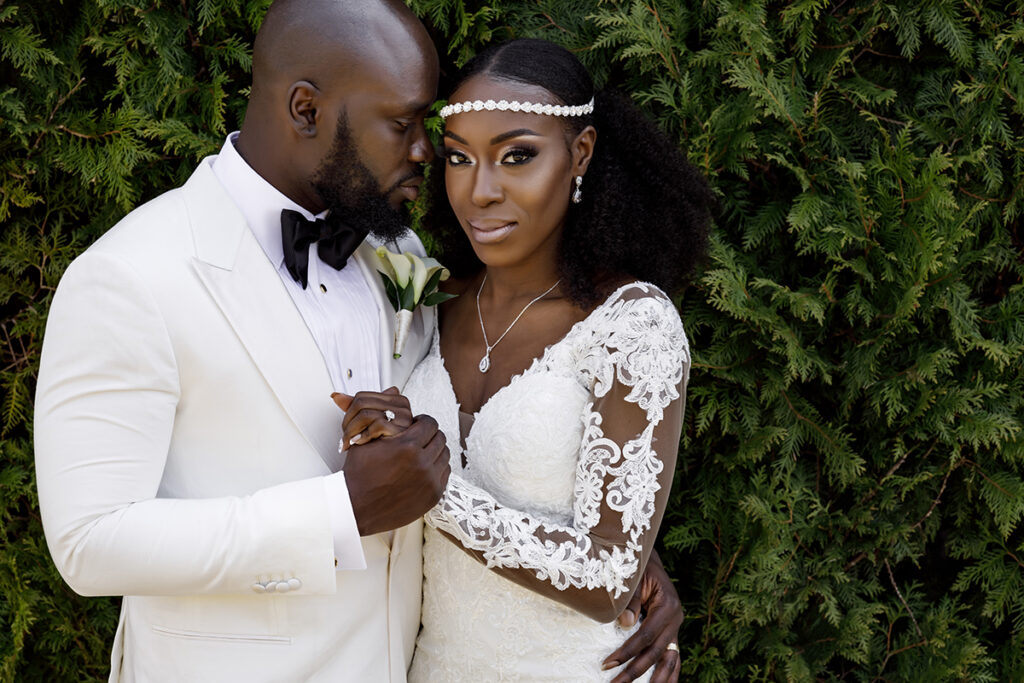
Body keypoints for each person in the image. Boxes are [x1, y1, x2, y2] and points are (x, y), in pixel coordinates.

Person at [33, 2, 683, 681]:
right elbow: (88, 543)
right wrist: (336, 513)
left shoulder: (396, 256)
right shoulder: (131, 277)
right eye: (403, 124)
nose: (425, 152)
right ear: (306, 110)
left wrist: (622, 547)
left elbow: (519, 433)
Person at [338, 38, 712, 682]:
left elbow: (607, 578)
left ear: (581, 153)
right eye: (459, 158)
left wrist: (426, 486)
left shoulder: (632, 324)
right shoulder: (431, 297)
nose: (479, 191)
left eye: (517, 156)